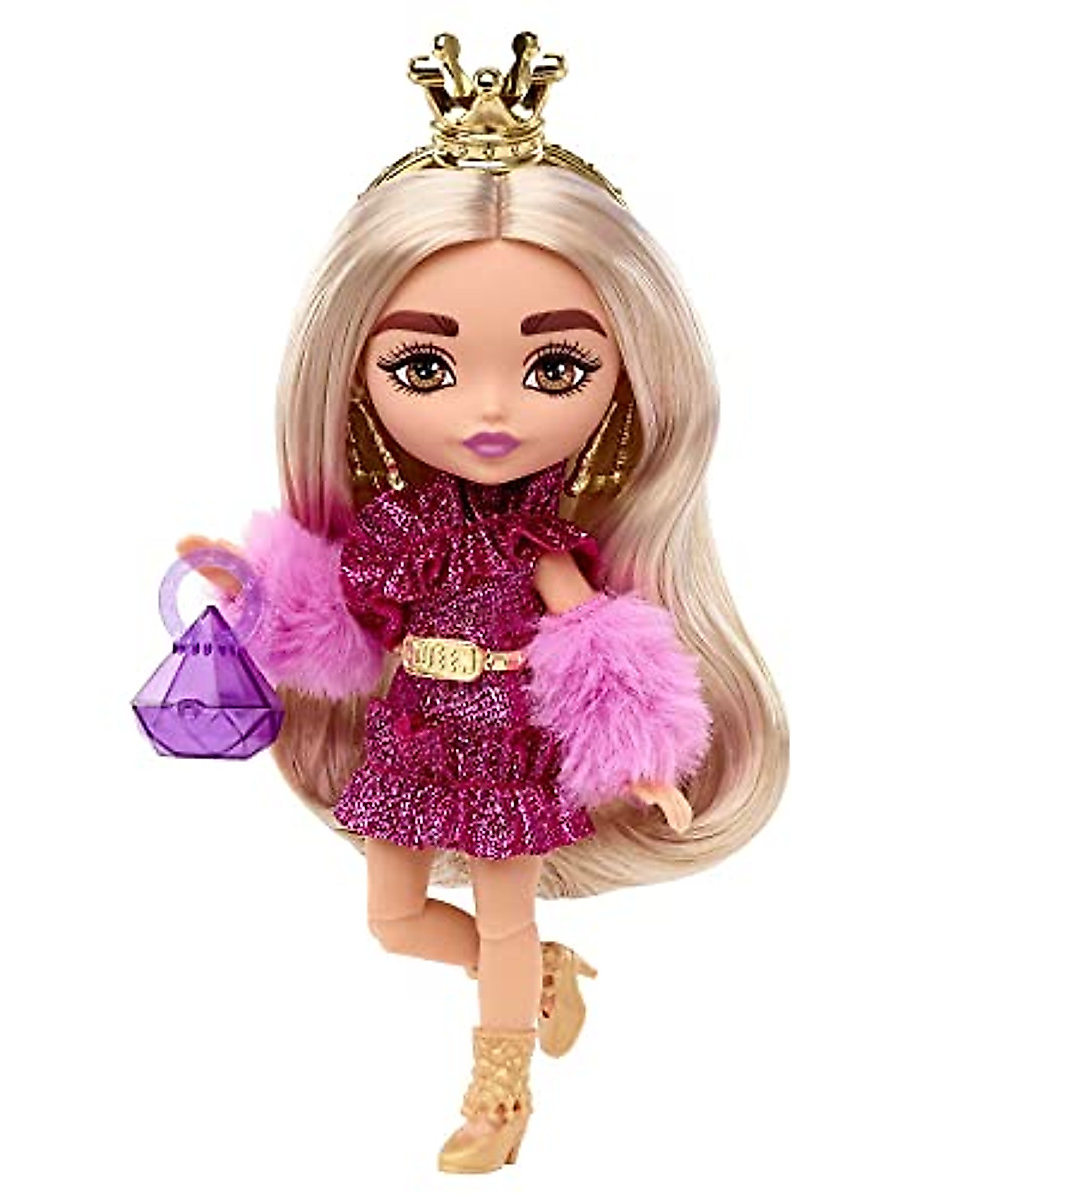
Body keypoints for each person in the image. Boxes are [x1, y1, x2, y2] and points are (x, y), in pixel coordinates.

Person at [177, 30, 788, 1174]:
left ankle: (498, 1096)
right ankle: (538, 974)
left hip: (506, 746)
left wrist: (644, 757)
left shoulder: (538, 541)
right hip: (413, 738)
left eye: (556, 368)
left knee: (507, 911)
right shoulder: (401, 530)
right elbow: (345, 627)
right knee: (393, 919)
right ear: (354, 376)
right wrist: (252, 596)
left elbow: (594, 638)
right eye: (425, 367)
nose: (492, 409)